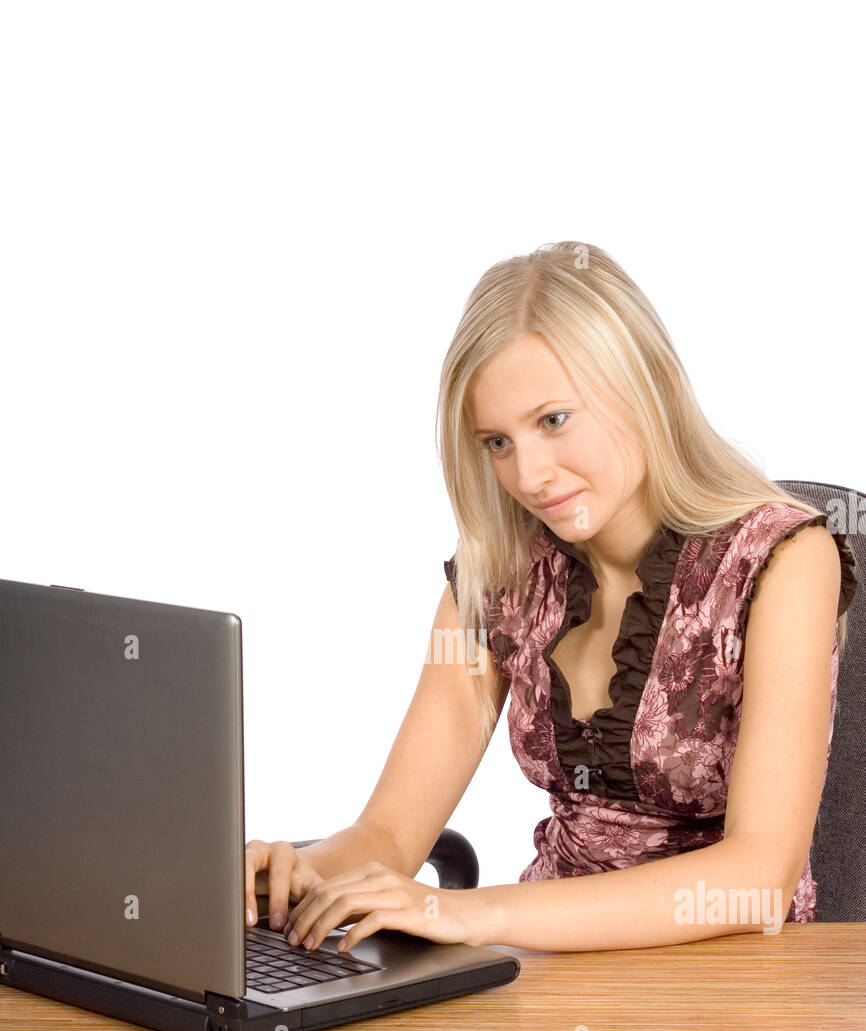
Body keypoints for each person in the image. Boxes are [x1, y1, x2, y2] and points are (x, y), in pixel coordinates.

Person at [246, 241, 858, 953]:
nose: (530, 475)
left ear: (647, 382)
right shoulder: (500, 574)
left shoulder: (783, 561)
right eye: (497, 442)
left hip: (731, 994)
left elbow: (759, 877)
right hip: (545, 975)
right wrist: (289, 879)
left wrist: (471, 914)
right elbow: (390, 835)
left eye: (553, 420)